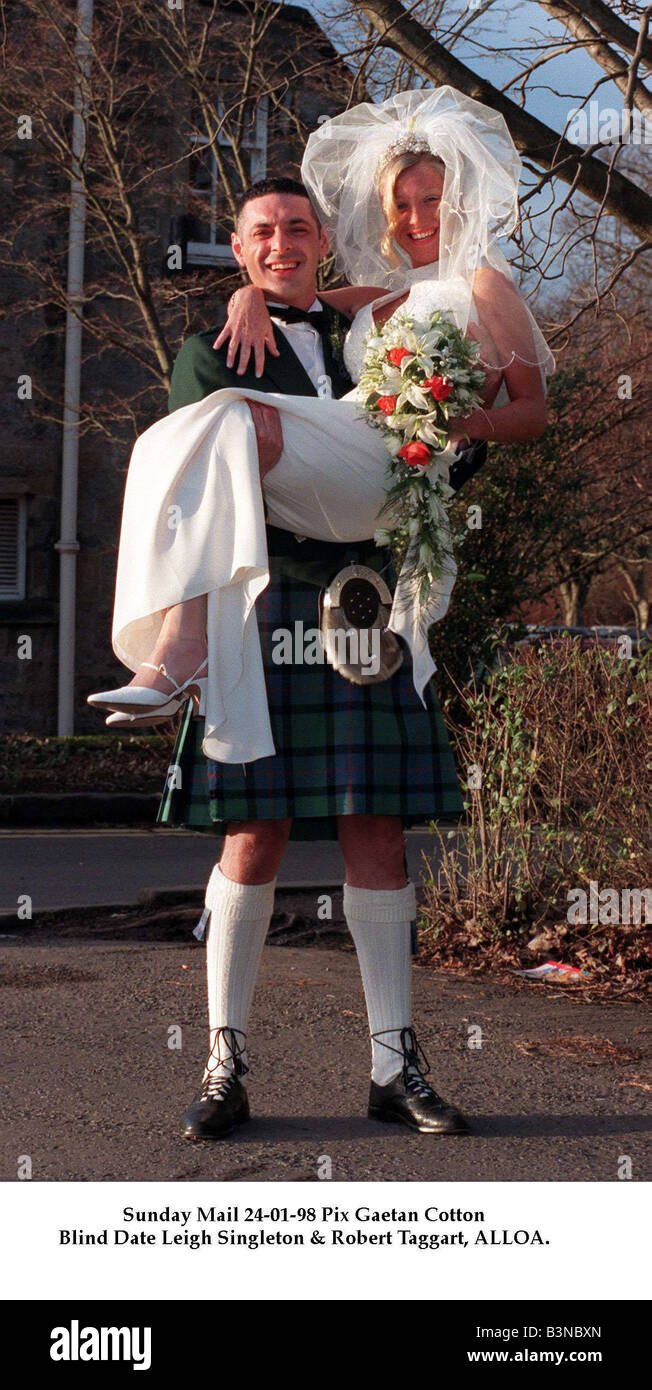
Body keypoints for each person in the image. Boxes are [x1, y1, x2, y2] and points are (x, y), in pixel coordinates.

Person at [89, 87, 553, 1141]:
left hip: (371, 585)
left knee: (376, 829)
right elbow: (214, 448)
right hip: (272, 591)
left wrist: (450, 431)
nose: (286, 243)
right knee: (253, 833)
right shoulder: (221, 347)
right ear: (243, 253)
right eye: (264, 233)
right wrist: (247, 300)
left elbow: (511, 404)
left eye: (299, 227)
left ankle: (395, 1066)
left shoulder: (408, 298)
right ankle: (223, 1065)